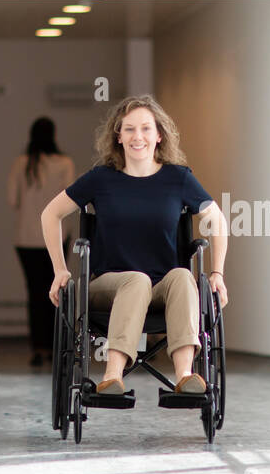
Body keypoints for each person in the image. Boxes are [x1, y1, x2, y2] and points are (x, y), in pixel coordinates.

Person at [40, 95, 229, 395]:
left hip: (161, 289)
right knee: (137, 280)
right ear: (118, 136)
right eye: (129, 129)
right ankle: (112, 377)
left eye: (145, 129)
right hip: (108, 286)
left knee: (182, 276)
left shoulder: (178, 179)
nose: (137, 136)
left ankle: (185, 376)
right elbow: (50, 214)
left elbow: (217, 221)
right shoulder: (101, 178)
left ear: (159, 135)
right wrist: (59, 269)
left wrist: (217, 273)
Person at [7, 117, 75, 367]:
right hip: (57, 235)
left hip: (25, 237)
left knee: (34, 292)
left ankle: (38, 347)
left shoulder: (20, 163)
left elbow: (12, 200)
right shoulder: (64, 163)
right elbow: (71, 200)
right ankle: (57, 347)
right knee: (56, 289)